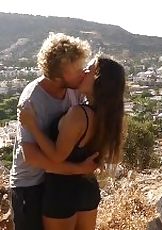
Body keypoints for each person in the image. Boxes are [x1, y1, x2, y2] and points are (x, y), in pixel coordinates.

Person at [20, 55, 126, 230]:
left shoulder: (79, 114)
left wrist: (32, 127)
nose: (84, 71)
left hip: (61, 192)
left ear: (98, 80)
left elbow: (56, 156)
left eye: (89, 69)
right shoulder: (108, 116)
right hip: (88, 190)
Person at [10, 33, 98, 230]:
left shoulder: (74, 89)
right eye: (77, 70)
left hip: (58, 182)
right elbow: (32, 157)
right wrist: (80, 169)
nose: (83, 72)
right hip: (30, 186)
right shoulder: (32, 100)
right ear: (57, 76)